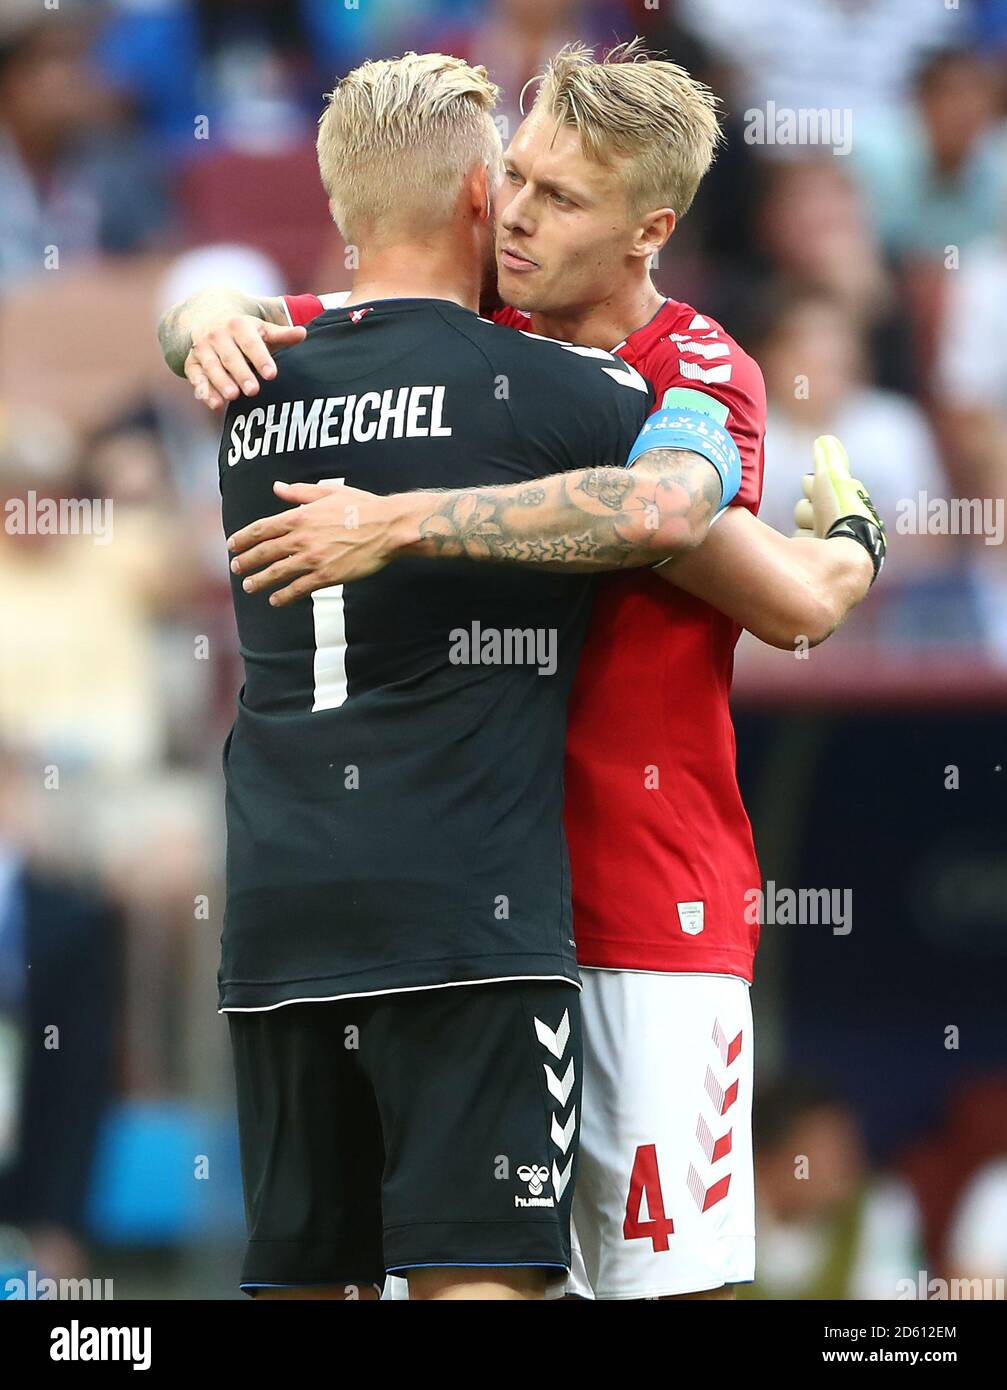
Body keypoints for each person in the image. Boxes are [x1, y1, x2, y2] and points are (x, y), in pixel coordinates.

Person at [161, 42, 885, 1300]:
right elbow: (265, 330)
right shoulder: (476, 331)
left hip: (648, 909)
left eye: (562, 197)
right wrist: (197, 322)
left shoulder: (691, 372)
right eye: (518, 176)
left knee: (663, 1291)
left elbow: (779, 595)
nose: (518, 213)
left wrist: (848, 552)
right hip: (485, 916)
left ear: (648, 229)